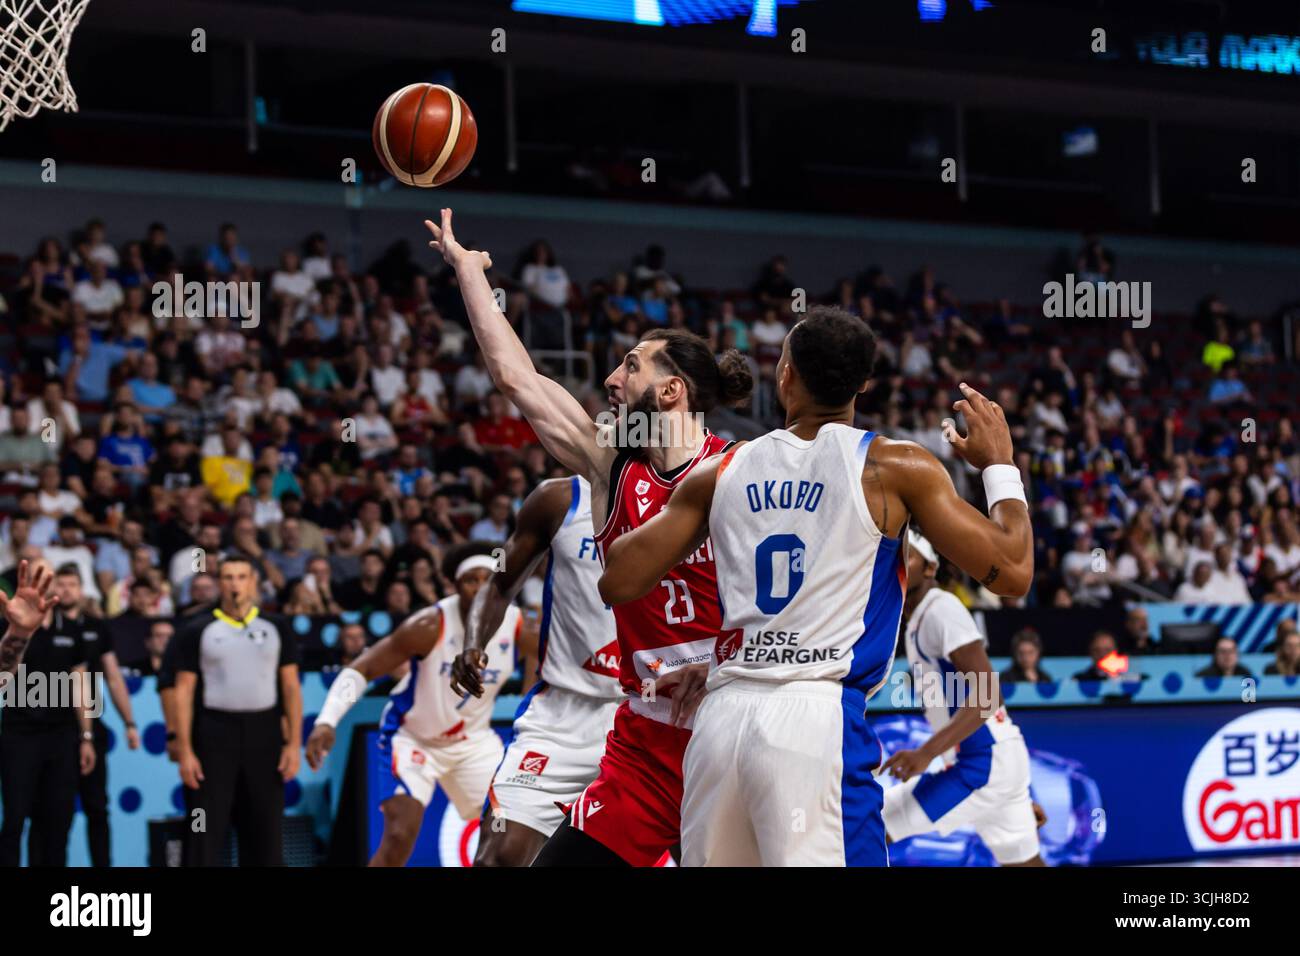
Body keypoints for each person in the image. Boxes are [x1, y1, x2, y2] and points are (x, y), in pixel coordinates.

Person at [598, 306, 1032, 866]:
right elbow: (1014, 571)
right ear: (864, 385)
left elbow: (619, 581)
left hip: (723, 721)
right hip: (814, 723)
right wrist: (999, 466)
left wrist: (626, 467)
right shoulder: (895, 466)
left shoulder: (723, 469)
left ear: (786, 377)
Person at [427, 207, 752, 867]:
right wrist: (467, 273)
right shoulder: (611, 465)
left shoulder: (746, 472)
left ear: (670, 391)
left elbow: (796, 604)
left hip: (733, 728)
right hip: (643, 743)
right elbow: (518, 380)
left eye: (629, 367)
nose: (610, 379)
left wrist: (724, 669)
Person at [305, 543, 521, 866]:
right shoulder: (429, 626)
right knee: (399, 835)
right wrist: (327, 719)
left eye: (486, 580)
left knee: (513, 831)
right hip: (413, 739)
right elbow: (363, 668)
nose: (479, 589)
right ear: (454, 585)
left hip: (474, 743)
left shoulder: (516, 623)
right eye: (470, 580)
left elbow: (548, 664)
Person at [449, 476, 621, 867]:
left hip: (648, 714)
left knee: (705, 850)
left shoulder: (688, 489)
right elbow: (499, 583)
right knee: (498, 856)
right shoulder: (558, 499)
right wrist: (474, 642)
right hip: (560, 717)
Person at [881, 531, 1043, 866]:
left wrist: (926, 753)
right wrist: (1011, 789)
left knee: (870, 827)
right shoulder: (915, 623)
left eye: (908, 556)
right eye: (894, 557)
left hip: (981, 765)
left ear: (930, 568)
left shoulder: (941, 609)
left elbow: (988, 694)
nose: (899, 564)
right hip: (996, 762)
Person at [173, 556, 302, 866]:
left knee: (265, 831)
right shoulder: (197, 629)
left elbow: (290, 688)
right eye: (228, 577)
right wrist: (185, 750)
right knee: (203, 825)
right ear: (219, 583)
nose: (234, 584)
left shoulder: (276, 627)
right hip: (214, 735)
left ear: (253, 582)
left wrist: (294, 744)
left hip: (265, 734)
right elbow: (183, 691)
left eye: (241, 577)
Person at [0, 561, 97, 867]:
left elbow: (81, 683)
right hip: (19, 733)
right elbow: (2, 677)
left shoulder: (73, 630)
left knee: (57, 821)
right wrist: (19, 632)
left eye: (46, 574)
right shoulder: (8, 625)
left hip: (61, 735)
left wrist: (86, 736)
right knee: (14, 819)